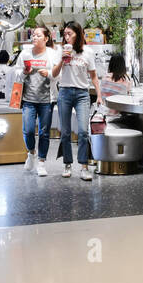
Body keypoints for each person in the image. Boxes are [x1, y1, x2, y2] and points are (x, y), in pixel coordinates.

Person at [50, 20, 98, 180]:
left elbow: (93, 75)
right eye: (64, 34)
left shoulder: (88, 52)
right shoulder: (60, 50)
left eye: (69, 34)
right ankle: (67, 164)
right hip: (64, 92)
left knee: (83, 131)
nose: (66, 37)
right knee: (65, 132)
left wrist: (99, 95)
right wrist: (62, 60)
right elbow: (54, 74)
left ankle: (84, 166)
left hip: (82, 94)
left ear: (78, 34)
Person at [16, 26, 59, 175]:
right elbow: (17, 73)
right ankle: (31, 152)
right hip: (28, 98)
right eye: (33, 35)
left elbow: (58, 74)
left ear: (46, 39)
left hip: (46, 100)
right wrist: (24, 72)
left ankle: (41, 162)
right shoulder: (25, 53)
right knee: (28, 130)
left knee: (44, 132)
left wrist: (49, 73)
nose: (34, 37)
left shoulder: (52, 54)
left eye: (38, 35)